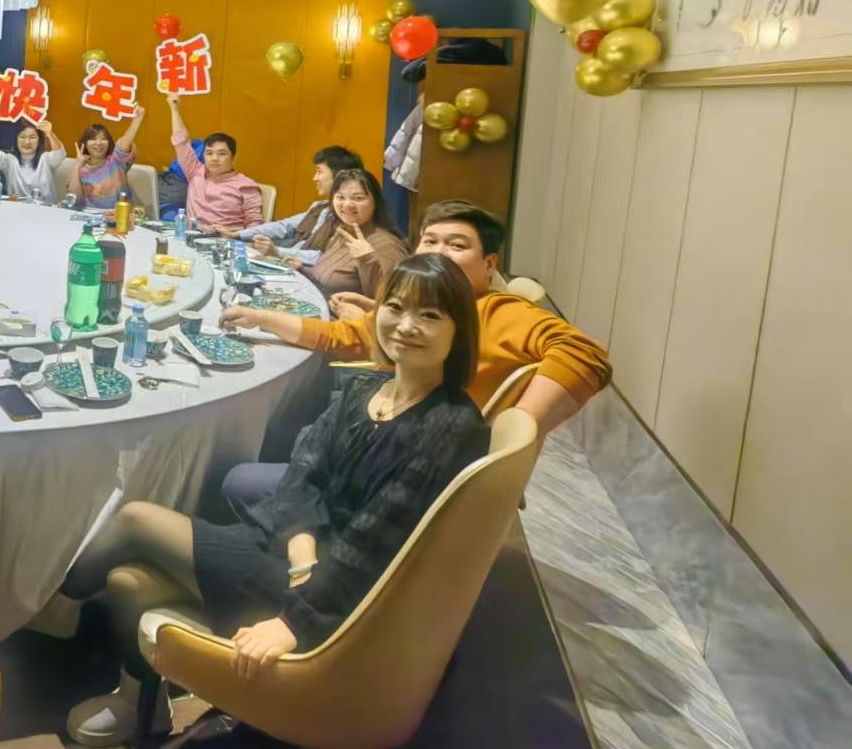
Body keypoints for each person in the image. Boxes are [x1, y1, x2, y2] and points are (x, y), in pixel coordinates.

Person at [58, 254, 489, 747]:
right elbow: (302, 474)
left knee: (136, 519)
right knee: (127, 581)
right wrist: (302, 554)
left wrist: (294, 620)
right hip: (299, 562)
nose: (407, 325)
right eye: (396, 307)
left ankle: (54, 605)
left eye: (429, 315)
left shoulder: (452, 426)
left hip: (341, 600)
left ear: (459, 331)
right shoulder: (368, 389)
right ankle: (142, 704)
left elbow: (376, 546)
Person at [219, 198, 613, 526]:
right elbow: (343, 335)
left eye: (456, 245)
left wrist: (513, 431)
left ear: (489, 265)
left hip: (409, 469)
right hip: (385, 433)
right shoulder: (421, 303)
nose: (439, 252)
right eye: (429, 241)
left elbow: (586, 354)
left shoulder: (498, 311)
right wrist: (260, 318)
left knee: (240, 478)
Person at [289, 167, 408, 300]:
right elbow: (331, 280)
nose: (347, 205)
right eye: (340, 197)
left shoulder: (388, 245)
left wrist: (367, 260)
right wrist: (302, 269)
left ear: (376, 202)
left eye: (358, 198)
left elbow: (390, 300)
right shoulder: (343, 230)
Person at [236, 145, 364, 261]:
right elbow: (285, 226)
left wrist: (277, 251)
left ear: (340, 176)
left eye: (319, 171)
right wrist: (238, 234)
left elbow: (325, 258)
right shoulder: (319, 207)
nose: (315, 178)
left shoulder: (350, 218)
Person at [166, 94, 263, 232]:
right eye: (209, 153)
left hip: (226, 241)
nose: (214, 158)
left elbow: (254, 224)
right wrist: (174, 110)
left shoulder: (245, 185)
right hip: (192, 237)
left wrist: (237, 238)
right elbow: (181, 143)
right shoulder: (195, 172)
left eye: (221, 153)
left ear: (233, 157)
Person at [0, 114, 66, 201]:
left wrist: (50, 133)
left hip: (46, 209)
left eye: (32, 137)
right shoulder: (10, 160)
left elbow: (60, 153)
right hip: (17, 208)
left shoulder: (46, 159)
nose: (27, 142)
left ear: (40, 141)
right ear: (16, 140)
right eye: (22, 137)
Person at [75, 110, 144, 210]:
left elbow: (123, 146)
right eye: (93, 139)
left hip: (121, 216)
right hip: (90, 216)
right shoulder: (80, 169)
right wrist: (77, 166)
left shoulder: (116, 162)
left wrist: (136, 120)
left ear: (109, 143)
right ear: (85, 144)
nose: (98, 143)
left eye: (103, 138)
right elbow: (74, 200)